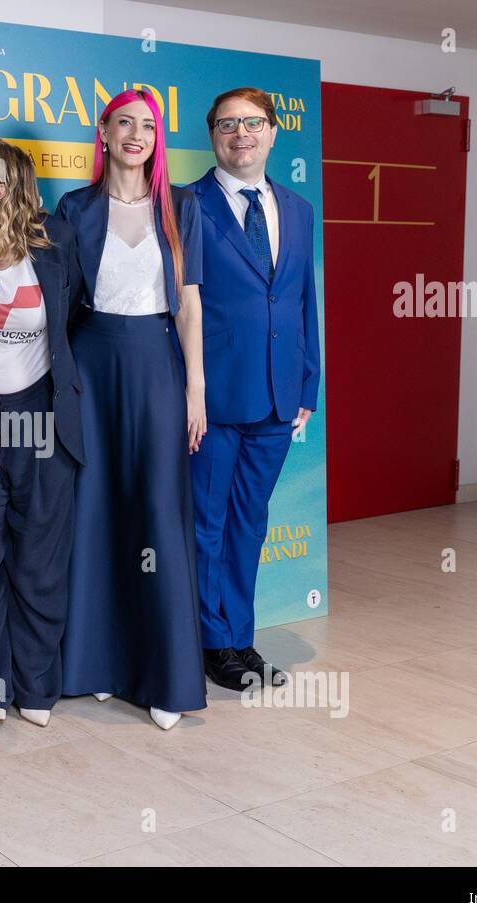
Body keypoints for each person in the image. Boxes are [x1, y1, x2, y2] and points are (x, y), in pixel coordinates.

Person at [54, 89, 208, 730]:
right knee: (93, 508)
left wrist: (195, 389)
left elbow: (190, 304)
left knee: (155, 513)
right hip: (91, 364)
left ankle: (165, 677)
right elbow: (56, 300)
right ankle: (94, 664)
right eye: (126, 123)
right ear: (104, 131)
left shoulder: (181, 206)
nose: (137, 135)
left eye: (148, 126)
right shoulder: (74, 207)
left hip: (155, 367)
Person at [186, 87, 321, 690]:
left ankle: (241, 636)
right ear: (212, 133)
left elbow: (300, 301)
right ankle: (212, 642)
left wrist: (306, 385)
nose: (241, 134)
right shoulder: (186, 204)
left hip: (275, 397)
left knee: (251, 523)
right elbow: (178, 307)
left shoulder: (297, 208)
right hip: (212, 399)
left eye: (253, 123)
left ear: (272, 132)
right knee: (206, 524)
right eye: (228, 124)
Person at [0, 133, 84, 728]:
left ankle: (36, 686)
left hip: (42, 419)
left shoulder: (55, 247)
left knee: (39, 561)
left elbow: (73, 320)